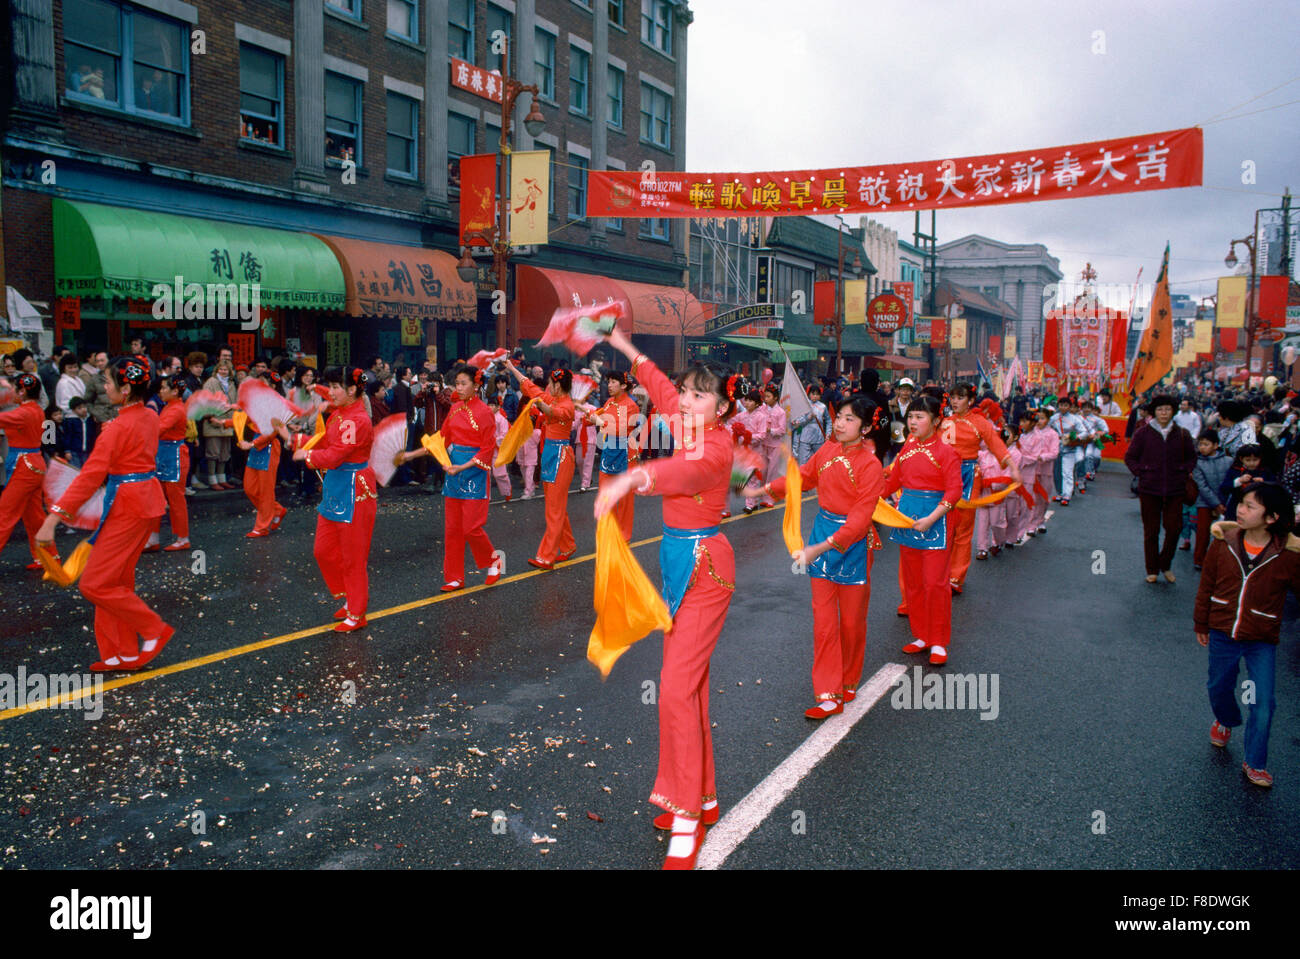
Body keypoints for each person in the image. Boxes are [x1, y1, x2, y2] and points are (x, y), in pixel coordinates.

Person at [596, 325, 737, 870]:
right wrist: (623, 343)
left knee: (676, 688)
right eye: (688, 390)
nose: (686, 399)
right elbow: (656, 383)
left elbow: (680, 472)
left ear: (722, 408)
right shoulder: (685, 421)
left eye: (701, 394)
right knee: (689, 685)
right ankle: (701, 797)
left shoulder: (716, 448)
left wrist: (629, 480)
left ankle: (687, 821)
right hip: (678, 564)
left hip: (706, 567)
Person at [36, 358, 172, 672]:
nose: (104, 387)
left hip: (127, 504)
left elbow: (88, 477)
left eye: (108, 382)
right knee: (117, 581)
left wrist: (52, 519)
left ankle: (153, 629)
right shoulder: (149, 416)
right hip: (143, 500)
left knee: (95, 584)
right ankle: (119, 654)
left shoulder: (116, 428)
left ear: (125, 389)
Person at [760, 394, 887, 717]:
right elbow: (803, 477)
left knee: (853, 622)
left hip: (853, 545)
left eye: (850, 419)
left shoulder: (871, 466)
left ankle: (848, 680)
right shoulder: (827, 451)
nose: (841, 424)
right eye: (840, 417)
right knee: (825, 622)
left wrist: (822, 546)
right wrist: (768, 489)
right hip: (822, 536)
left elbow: (861, 518)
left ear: (866, 427)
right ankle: (828, 692)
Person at [1195, 482, 1300, 789]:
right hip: (1223, 631)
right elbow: (1206, 585)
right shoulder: (1223, 541)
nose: (1240, 509)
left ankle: (1255, 762)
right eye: (1241, 503)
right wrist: (1201, 622)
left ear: (1272, 517)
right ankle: (1225, 719)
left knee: (1262, 700)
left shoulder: (1289, 555)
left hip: (1261, 638)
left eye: (1250, 506)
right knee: (1219, 686)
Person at [279, 367, 376, 633]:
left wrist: (305, 456)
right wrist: (297, 440)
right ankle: (349, 597)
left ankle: (357, 612)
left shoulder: (356, 419)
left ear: (353, 390)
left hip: (355, 488)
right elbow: (324, 442)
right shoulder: (338, 414)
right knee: (322, 550)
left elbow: (334, 455)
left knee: (353, 556)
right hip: (336, 486)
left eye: (335, 387)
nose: (330, 392)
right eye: (329, 387)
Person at [400, 364, 501, 591]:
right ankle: (455, 576)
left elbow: (487, 449)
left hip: (473, 470)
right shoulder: (454, 408)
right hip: (454, 471)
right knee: (453, 528)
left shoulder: (485, 412)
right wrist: (411, 454)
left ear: (476, 386)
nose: (460, 387)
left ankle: (494, 560)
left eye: (464, 383)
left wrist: (462, 466)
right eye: (457, 383)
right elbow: (440, 439)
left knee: (471, 528)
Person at [884, 394, 963, 665]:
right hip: (907, 520)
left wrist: (932, 517)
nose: (913, 422)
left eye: (920, 417)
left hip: (935, 521)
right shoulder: (906, 448)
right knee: (914, 582)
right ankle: (921, 635)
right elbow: (891, 482)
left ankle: (939, 641)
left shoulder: (947, 452)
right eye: (911, 417)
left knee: (935, 583)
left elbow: (954, 491)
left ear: (936, 421)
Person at [941, 383, 1019, 593]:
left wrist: (1012, 467)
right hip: (945, 475)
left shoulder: (980, 423)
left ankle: (956, 577)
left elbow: (996, 445)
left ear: (970, 400)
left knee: (964, 529)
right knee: (945, 527)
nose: (955, 401)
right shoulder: (945, 422)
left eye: (960, 397)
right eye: (953, 397)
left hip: (968, 476)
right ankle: (941, 574)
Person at [505, 362, 577, 569]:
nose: (547, 387)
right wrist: (510, 366)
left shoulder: (566, 406)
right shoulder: (552, 398)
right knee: (556, 507)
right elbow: (528, 385)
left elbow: (550, 410)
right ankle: (568, 545)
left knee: (554, 509)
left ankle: (546, 555)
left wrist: (537, 402)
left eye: (550, 384)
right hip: (550, 456)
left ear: (557, 386)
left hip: (561, 458)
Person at [1124, 393, 1196, 583]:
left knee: (1174, 529)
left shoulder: (1182, 434)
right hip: (1149, 488)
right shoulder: (1143, 433)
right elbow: (1130, 457)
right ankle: (1152, 569)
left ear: (1173, 411)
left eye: (1167, 409)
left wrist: (1184, 470)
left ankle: (1166, 564)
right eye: (1160, 409)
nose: (1164, 413)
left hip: (1175, 488)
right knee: (1151, 531)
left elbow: (1192, 458)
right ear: (1154, 412)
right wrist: (1142, 472)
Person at [0, 373, 51, 571]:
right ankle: (47, 558)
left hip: (24, 466)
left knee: (5, 513)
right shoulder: (34, 410)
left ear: (22, 391)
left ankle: (46, 558)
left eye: (14, 388)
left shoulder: (23, 413)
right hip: (33, 464)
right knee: (34, 516)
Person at [588, 370, 641, 541]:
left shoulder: (632, 406)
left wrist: (599, 422)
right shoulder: (610, 402)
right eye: (608, 382)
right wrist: (587, 414)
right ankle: (608, 531)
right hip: (609, 451)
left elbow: (621, 430)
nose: (609, 385)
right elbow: (598, 415)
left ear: (624, 385)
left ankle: (624, 535)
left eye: (613, 382)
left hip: (626, 454)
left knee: (625, 499)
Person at [146, 373, 191, 553]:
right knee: (159, 497)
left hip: (174, 455)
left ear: (174, 391)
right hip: (165, 453)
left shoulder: (175, 409)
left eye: (165, 387)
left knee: (175, 498)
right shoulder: (171, 406)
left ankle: (182, 538)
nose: (161, 390)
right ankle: (153, 538)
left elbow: (159, 429)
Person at [1189, 428, 1230, 570]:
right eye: (1200, 444)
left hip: (1225, 501)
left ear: (1216, 445)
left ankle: (1221, 560)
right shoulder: (1197, 463)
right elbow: (1201, 485)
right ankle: (1199, 560)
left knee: (1225, 533)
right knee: (1202, 533)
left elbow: (1231, 482)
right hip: (1204, 501)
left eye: (1206, 444)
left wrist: (1222, 503)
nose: (1202, 447)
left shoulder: (1229, 461)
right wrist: (1216, 504)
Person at [202, 357, 237, 489]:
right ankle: (213, 480)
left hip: (228, 422)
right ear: (217, 370)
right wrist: (212, 416)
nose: (223, 372)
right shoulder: (210, 382)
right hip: (213, 422)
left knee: (224, 453)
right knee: (213, 453)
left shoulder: (232, 384)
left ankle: (222, 478)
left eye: (226, 370)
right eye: (221, 369)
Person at [1218, 444, 1275, 522]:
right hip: (1236, 506)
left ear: (1260, 459)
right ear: (1241, 459)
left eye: (1255, 460)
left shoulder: (1265, 471)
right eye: (1248, 460)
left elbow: (1275, 487)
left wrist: (1263, 483)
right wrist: (1239, 481)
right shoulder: (1235, 470)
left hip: (1258, 507)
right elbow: (1224, 488)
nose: (1252, 463)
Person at [790, 384, 830, 465]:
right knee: (803, 464)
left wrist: (828, 433)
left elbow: (828, 420)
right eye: (813, 394)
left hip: (819, 439)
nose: (815, 396)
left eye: (817, 394)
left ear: (820, 395)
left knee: (819, 463)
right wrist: (808, 418)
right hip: (805, 439)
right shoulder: (804, 405)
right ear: (809, 394)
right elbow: (798, 423)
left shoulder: (823, 407)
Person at [487, 399, 512, 501]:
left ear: (498, 407)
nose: (490, 407)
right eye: (489, 405)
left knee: (499, 473)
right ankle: (486, 496)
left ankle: (507, 491)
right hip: (486, 449)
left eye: (493, 405)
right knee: (485, 474)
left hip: (497, 449)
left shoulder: (502, 419)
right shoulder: (485, 418)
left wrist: (494, 440)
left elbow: (504, 435)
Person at [61, 395, 96, 468]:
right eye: (79, 408)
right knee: (76, 469)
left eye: (84, 407)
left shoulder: (90, 419)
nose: (83, 409)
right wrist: (67, 451)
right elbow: (67, 436)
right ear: (74, 410)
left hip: (88, 450)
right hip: (74, 451)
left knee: (86, 469)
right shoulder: (70, 421)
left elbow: (93, 435)